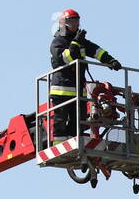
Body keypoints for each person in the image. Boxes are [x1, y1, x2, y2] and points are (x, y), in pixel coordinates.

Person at [49, 9, 122, 139]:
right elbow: (64, 60)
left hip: (79, 89)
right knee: (60, 122)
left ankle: (75, 142)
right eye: (72, 22)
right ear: (64, 24)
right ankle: (59, 147)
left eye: (77, 21)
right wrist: (75, 43)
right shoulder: (58, 42)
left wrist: (110, 60)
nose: (76, 24)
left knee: (78, 122)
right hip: (62, 90)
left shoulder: (81, 41)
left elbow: (96, 50)